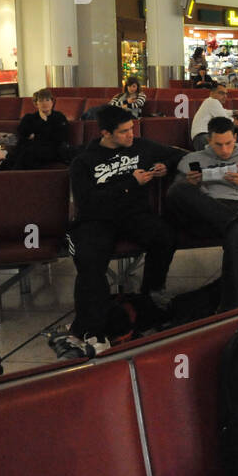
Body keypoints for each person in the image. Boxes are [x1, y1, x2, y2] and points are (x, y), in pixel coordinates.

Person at [66, 106, 182, 347]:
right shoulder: (83, 161)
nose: (131, 135)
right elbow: (87, 203)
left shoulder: (141, 146)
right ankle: (91, 325)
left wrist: (165, 167)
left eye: (132, 129)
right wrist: (130, 182)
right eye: (124, 131)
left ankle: (151, 292)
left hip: (133, 215)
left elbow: (176, 154)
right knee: (89, 259)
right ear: (106, 133)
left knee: (165, 236)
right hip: (96, 220)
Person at [164, 117, 238, 312]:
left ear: (236, 138)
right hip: (202, 212)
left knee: (236, 229)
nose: (225, 149)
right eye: (219, 145)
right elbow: (176, 196)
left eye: (229, 143)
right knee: (177, 189)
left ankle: (231, 309)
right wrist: (190, 184)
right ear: (208, 140)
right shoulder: (192, 159)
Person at [4, 88, 73, 170]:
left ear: (52, 102)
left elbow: (60, 137)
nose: (45, 103)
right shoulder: (29, 118)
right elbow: (22, 134)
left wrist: (38, 132)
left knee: (27, 154)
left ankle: (14, 177)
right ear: (36, 104)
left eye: (47, 100)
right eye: (41, 101)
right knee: (10, 159)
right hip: (28, 149)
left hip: (51, 150)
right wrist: (42, 133)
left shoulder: (59, 117)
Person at [191, 85, 238, 150]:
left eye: (226, 94)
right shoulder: (212, 101)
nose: (225, 96)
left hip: (207, 139)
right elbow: (228, 122)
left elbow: (225, 112)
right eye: (221, 93)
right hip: (203, 138)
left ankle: (226, 156)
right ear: (211, 93)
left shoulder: (210, 104)